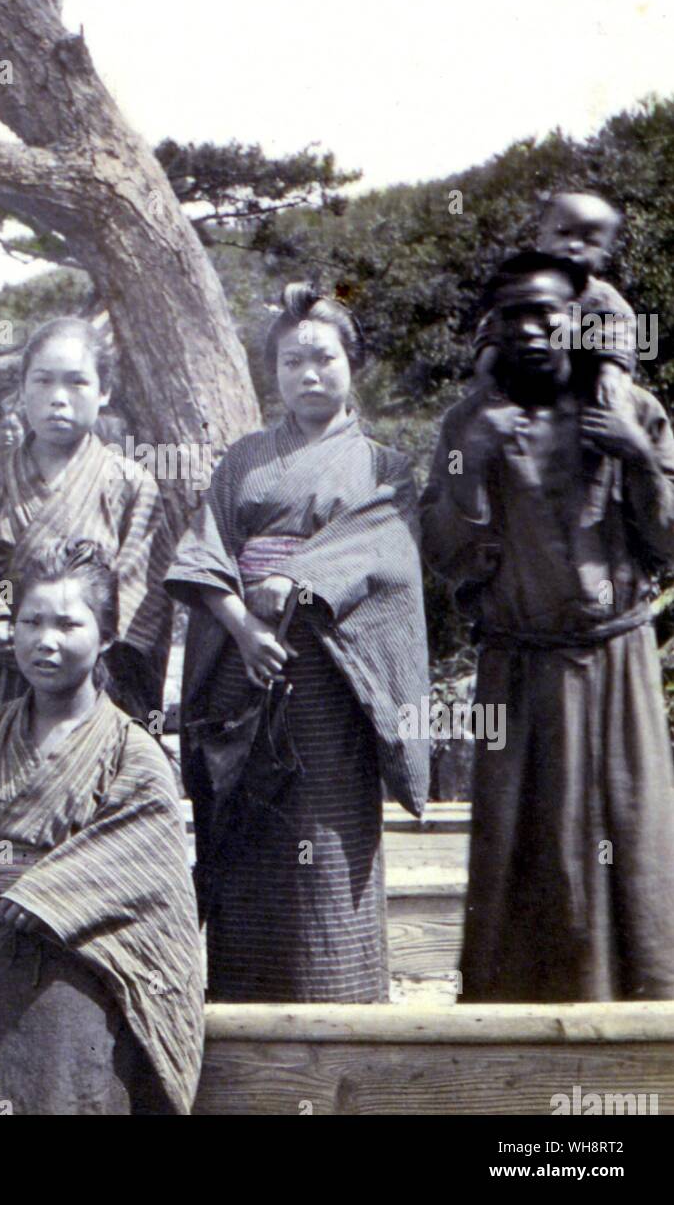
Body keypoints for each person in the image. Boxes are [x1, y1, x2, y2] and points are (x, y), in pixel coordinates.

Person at [165, 282, 431, 1003]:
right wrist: (244, 626)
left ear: (354, 363)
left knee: (328, 850)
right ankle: (248, 1024)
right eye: (290, 362)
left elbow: (386, 555)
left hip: (330, 683)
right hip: (241, 668)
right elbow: (203, 551)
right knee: (248, 844)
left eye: (323, 358)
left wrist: (299, 577)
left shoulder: (384, 466)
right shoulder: (243, 458)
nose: (308, 375)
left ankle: (339, 1017)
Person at [421, 251, 674, 1002]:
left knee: (634, 844)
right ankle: (516, 1045)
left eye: (547, 314)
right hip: (519, 673)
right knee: (520, 856)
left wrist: (639, 460)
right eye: (514, 316)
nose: (531, 330)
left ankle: (643, 1021)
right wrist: (472, 464)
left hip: (615, 671)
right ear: (492, 329)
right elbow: (444, 555)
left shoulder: (634, 410)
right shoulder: (470, 422)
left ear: (578, 324)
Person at [0, 541, 204, 1116]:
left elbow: (153, 879)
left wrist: (44, 895)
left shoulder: (131, 751)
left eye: (68, 623)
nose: (45, 640)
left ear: (105, 635)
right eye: (30, 621)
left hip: (79, 980)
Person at [0, 317, 173, 734]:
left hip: (94, 677)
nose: (57, 399)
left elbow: (142, 602)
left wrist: (83, 641)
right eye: (43, 382)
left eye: (77, 383)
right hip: (3, 669)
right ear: (22, 389)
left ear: (104, 391)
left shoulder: (131, 485)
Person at [475, 192, 637, 410]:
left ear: (605, 254)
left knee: (617, 395)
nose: (575, 246)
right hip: (527, 382)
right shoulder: (523, 286)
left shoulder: (602, 298)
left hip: (585, 385)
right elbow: (493, 324)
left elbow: (622, 332)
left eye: (590, 241)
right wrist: (487, 365)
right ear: (541, 238)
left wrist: (611, 370)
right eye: (564, 233)